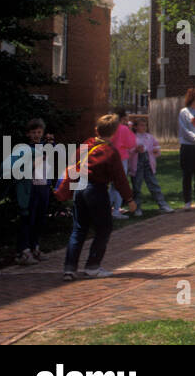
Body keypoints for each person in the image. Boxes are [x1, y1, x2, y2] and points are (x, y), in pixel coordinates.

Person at [55, 114, 136, 280]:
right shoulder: (110, 152)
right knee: (104, 228)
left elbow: (72, 167)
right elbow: (120, 178)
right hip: (96, 190)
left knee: (78, 229)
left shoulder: (85, 146)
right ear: (114, 133)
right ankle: (92, 266)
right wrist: (129, 199)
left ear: (96, 130)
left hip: (79, 188)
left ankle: (69, 268)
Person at [12, 118, 51, 265]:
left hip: (43, 187)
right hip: (30, 188)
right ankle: (23, 251)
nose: (36, 135)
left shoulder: (45, 146)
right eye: (33, 132)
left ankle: (35, 247)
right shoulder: (25, 149)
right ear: (28, 134)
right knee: (28, 220)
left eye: (39, 132)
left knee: (39, 220)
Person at [129, 116, 173, 215]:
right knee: (137, 186)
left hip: (148, 163)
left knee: (154, 184)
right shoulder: (132, 137)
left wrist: (156, 151)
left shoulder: (149, 137)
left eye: (145, 125)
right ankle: (137, 207)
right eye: (141, 125)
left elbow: (156, 146)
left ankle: (162, 204)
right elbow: (128, 151)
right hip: (137, 164)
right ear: (136, 127)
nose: (144, 127)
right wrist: (135, 150)